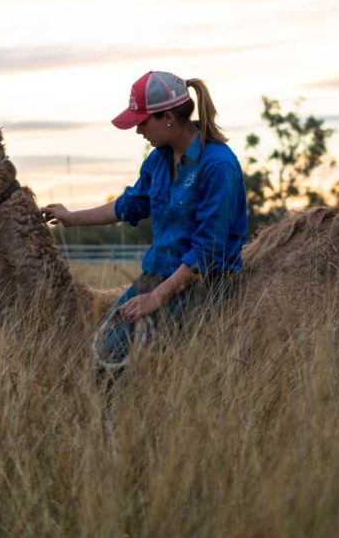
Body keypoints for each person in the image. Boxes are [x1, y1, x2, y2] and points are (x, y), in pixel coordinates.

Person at [41, 71, 248, 366]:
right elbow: (129, 205)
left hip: (201, 285)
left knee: (118, 359)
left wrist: (157, 298)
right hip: (155, 275)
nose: (138, 131)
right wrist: (72, 218)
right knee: (99, 352)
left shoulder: (218, 165)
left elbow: (208, 249)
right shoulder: (159, 160)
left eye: (142, 122)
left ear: (168, 117)